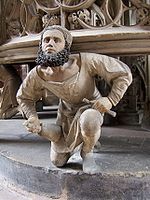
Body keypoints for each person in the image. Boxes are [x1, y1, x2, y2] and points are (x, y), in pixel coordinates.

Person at [17, 25, 132, 174]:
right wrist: (33, 117)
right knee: (57, 162)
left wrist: (110, 100)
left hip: (91, 108)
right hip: (66, 113)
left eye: (56, 40)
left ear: (66, 45)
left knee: (89, 120)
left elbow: (124, 74)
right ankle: (81, 139)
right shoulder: (38, 74)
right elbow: (24, 97)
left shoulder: (85, 61)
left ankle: (87, 151)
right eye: (46, 40)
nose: (50, 43)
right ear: (41, 46)